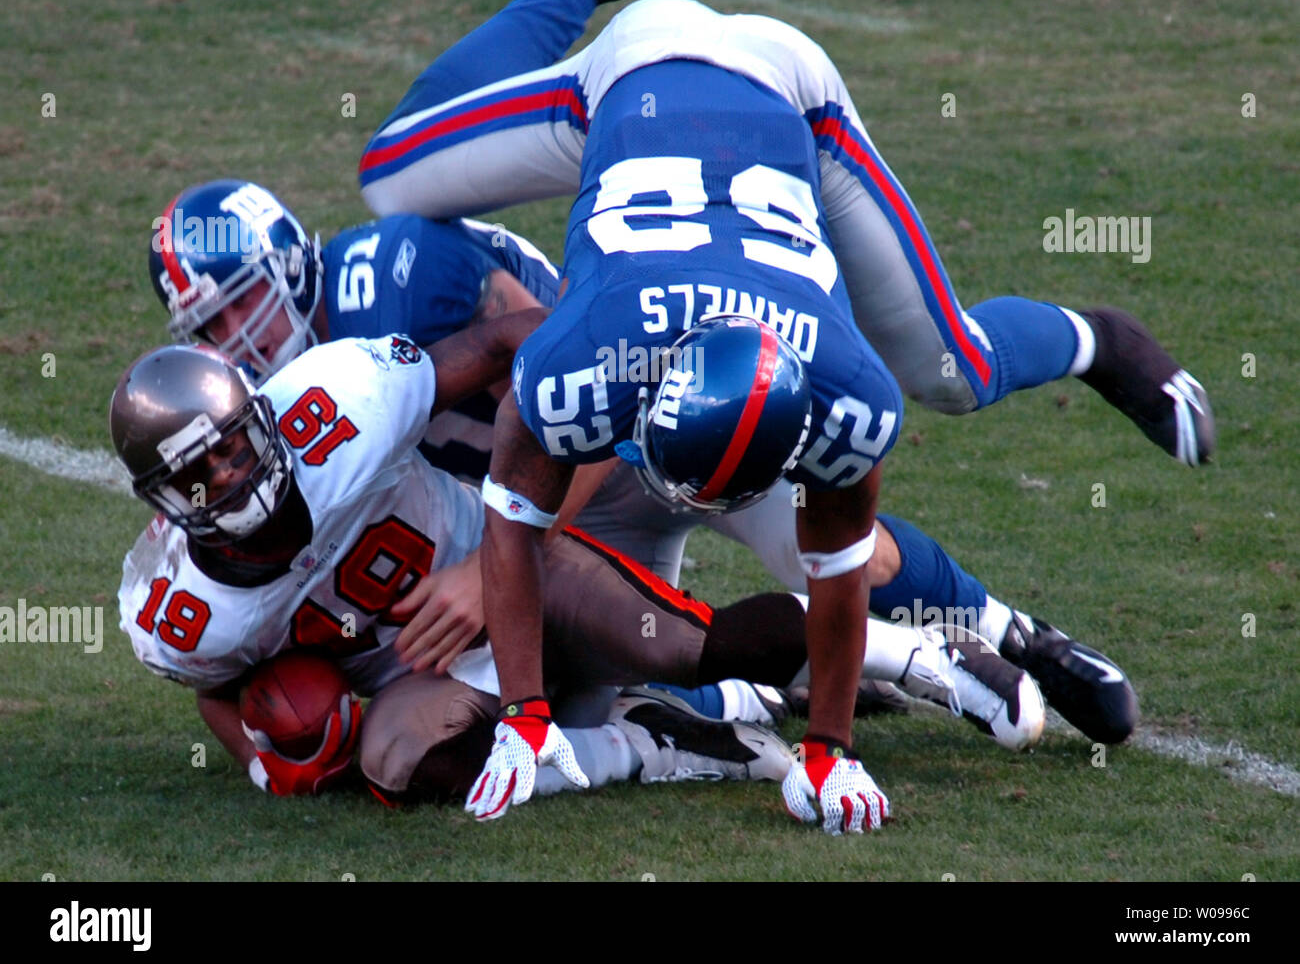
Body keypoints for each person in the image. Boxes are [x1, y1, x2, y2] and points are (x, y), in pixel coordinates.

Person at [356, 0, 1197, 832]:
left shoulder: (848, 394)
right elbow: (510, 523)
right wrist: (527, 717)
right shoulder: (583, 356)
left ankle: (1101, 341)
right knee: (393, 177)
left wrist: (830, 752)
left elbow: (835, 573)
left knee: (949, 368)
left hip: (797, 104)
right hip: (633, 74)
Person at [149, 176, 1138, 750]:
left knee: (846, 555)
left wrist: (494, 565)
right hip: (528, 500)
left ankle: (1016, 635)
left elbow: (546, 399)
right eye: (212, 325)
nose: (240, 337)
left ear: (293, 258)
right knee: (592, 694)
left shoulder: (399, 281)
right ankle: (782, 693)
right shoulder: (253, 428)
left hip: (638, 427)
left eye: (243, 301)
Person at [109, 338, 1044, 819]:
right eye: (201, 471)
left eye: (234, 446)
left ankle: (923, 658)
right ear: (164, 498)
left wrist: (494, 551)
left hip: (519, 569)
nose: (230, 474)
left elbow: (531, 340)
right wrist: (265, 758)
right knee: (395, 766)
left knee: (681, 642)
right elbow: (218, 686)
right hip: (425, 678)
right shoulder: (181, 610)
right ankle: (650, 741)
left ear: (261, 415)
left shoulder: (336, 404)